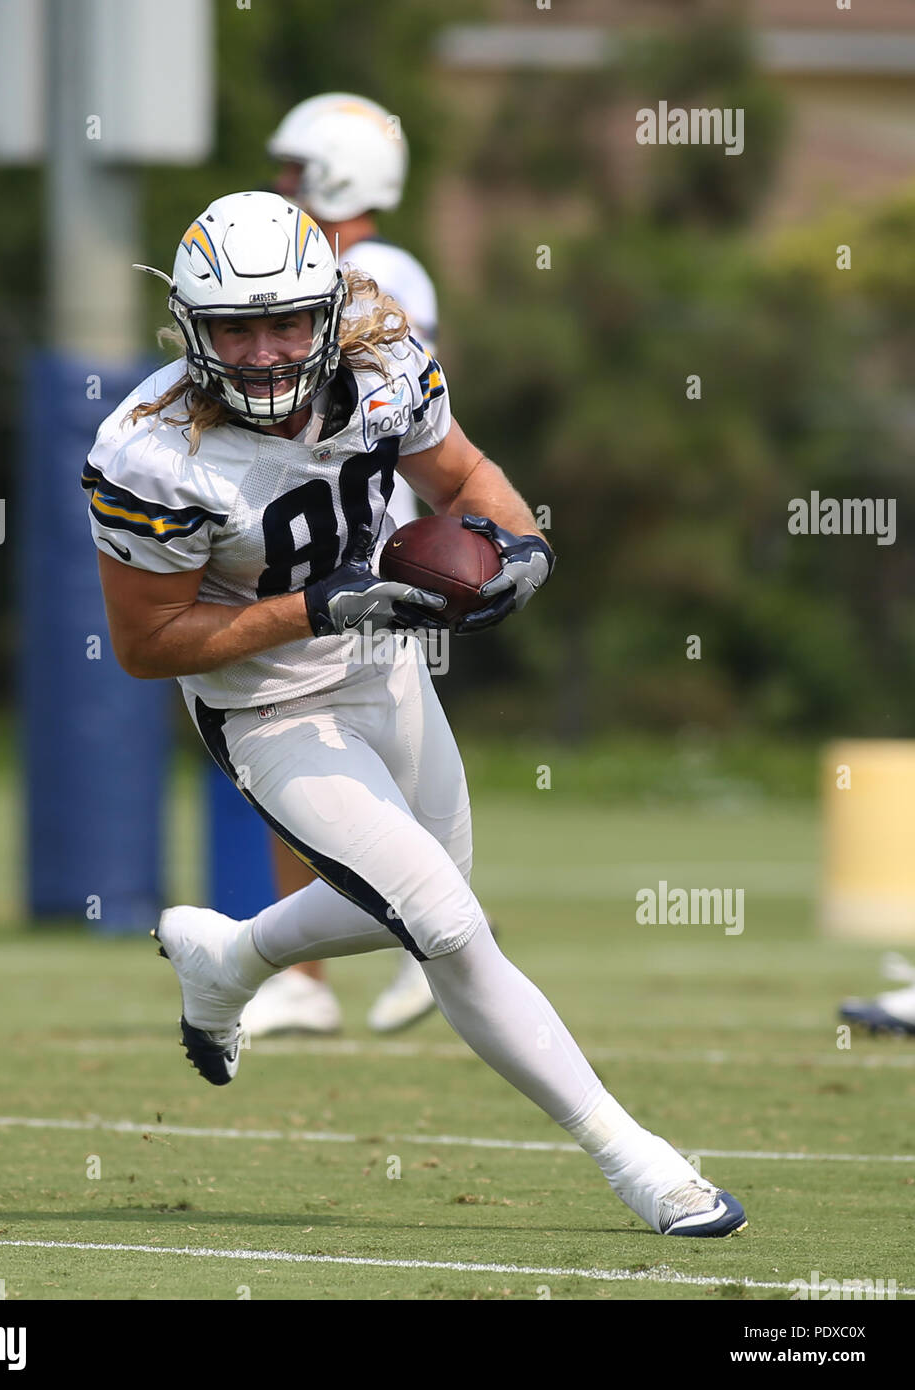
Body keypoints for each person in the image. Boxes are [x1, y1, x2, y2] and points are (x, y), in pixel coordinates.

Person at [85, 190, 748, 1238]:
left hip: (383, 664)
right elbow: (145, 645)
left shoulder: (383, 364)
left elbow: (466, 477)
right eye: (235, 329)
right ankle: (639, 1160)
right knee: (442, 921)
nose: (262, 353)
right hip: (267, 706)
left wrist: (517, 544)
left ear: (327, 309)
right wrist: (306, 605)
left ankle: (231, 958)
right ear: (192, 331)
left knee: (414, 900)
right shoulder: (150, 452)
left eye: (285, 322)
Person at [242, 92, 441, 1037]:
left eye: (296, 170)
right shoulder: (361, 265)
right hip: (332, 541)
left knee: (346, 760)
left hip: (358, 548)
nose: (283, 187)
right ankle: (316, 970)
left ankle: (413, 948)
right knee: (305, 761)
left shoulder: (368, 268)